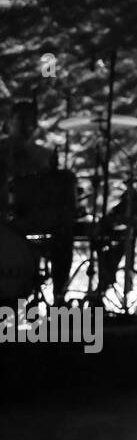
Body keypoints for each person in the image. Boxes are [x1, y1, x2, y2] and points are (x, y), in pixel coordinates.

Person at [0, 98, 73, 302]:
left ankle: (59, 297)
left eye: (30, 120)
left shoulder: (42, 156)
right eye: (21, 120)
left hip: (34, 219)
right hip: (8, 217)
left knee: (64, 237)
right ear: (11, 122)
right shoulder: (2, 151)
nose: (26, 125)